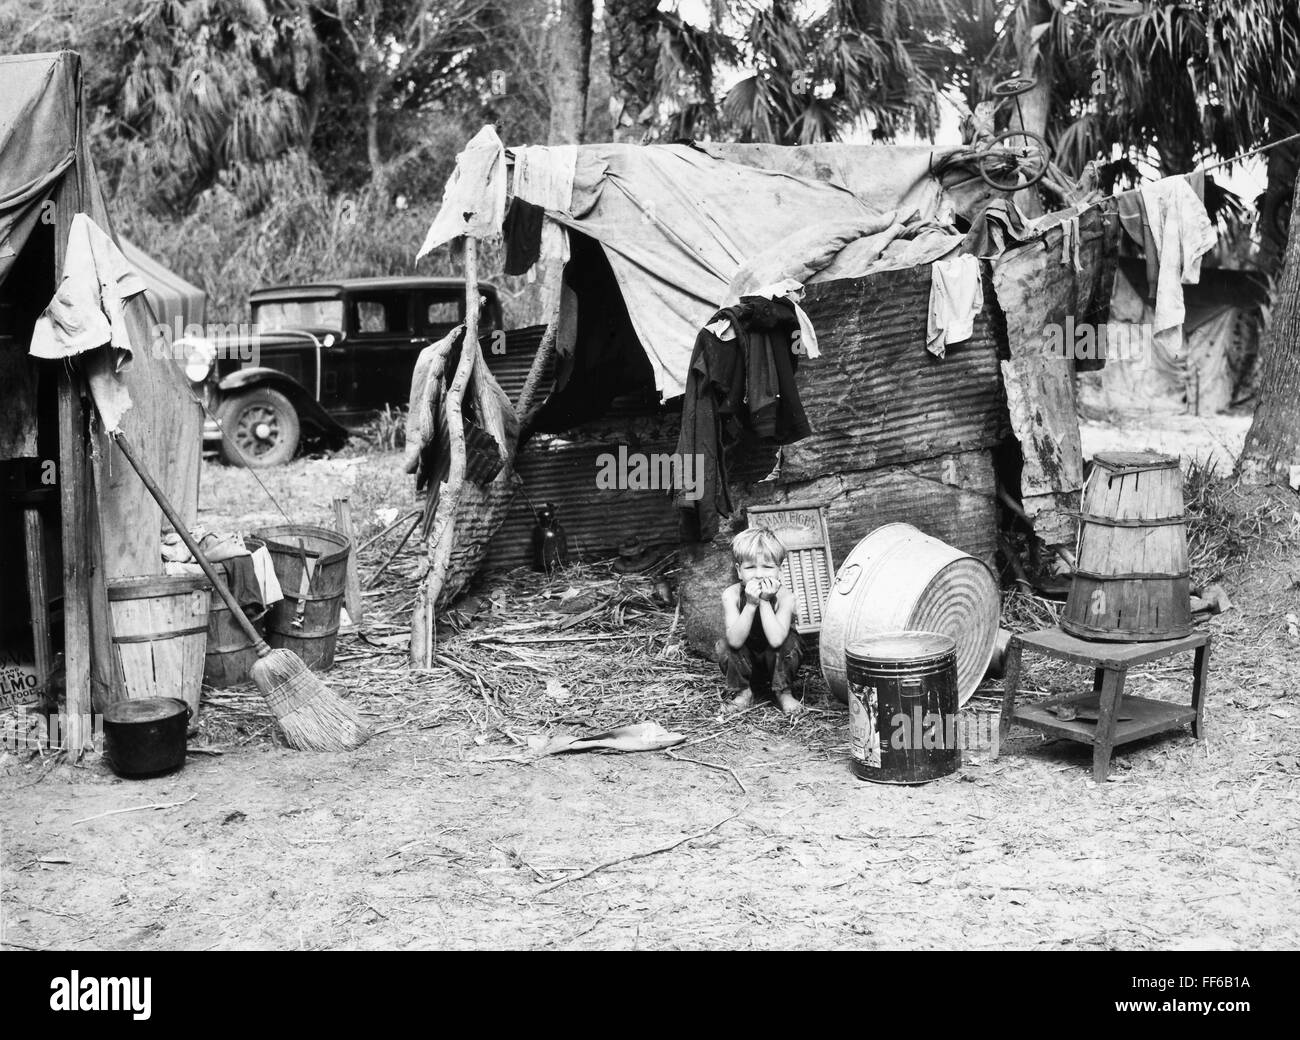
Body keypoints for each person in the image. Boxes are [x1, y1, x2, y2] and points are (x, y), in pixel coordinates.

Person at [715, 528, 802, 714]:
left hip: (777, 663)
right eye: (750, 567)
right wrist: (750, 605)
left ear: (780, 570)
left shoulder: (786, 597)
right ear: (739, 571)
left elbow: (776, 640)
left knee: (790, 642)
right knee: (725, 645)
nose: (759, 574)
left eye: (768, 567)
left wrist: (764, 601)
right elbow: (735, 642)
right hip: (748, 664)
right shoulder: (731, 595)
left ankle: (783, 692)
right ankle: (744, 692)